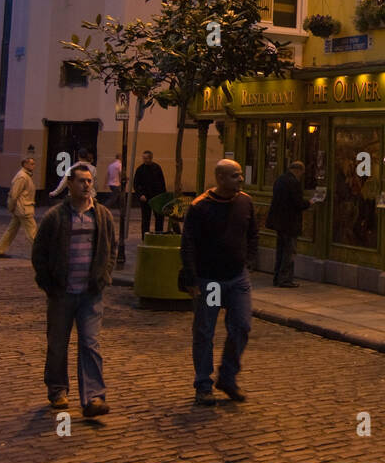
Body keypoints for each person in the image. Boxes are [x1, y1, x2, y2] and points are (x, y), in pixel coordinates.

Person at [31, 163, 115, 418]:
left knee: (90, 343)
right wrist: (49, 285)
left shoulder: (101, 215)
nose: (87, 185)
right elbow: (39, 253)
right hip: (62, 293)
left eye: (90, 181)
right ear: (70, 185)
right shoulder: (55, 216)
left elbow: (111, 248)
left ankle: (93, 397)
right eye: (81, 181)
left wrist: (103, 277)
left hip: (91, 293)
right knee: (58, 343)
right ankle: (57, 389)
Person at [181, 159, 258, 406]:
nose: (240, 179)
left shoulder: (245, 202)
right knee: (205, 331)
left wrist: (249, 261)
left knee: (242, 325)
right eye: (235, 176)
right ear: (220, 178)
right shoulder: (201, 207)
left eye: (240, 175)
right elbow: (189, 244)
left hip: (237, 278)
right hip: (211, 281)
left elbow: (253, 233)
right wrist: (192, 277)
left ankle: (227, 376)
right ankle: (204, 384)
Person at [266, 160, 309, 288]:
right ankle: (285, 279)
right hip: (290, 223)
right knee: (289, 252)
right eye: (302, 173)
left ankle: (277, 278)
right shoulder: (293, 182)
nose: (301, 176)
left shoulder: (280, 179)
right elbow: (298, 203)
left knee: (280, 251)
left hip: (279, 222)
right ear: (298, 170)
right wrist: (310, 202)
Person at [0, 158, 37, 258]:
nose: (33, 166)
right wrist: (11, 207)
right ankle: (41, 254)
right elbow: (14, 194)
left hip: (22, 208)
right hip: (23, 209)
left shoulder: (26, 176)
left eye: (34, 164)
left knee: (11, 230)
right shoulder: (22, 177)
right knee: (33, 233)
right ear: (24, 164)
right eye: (31, 164)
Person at [132, 150, 167, 237]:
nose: (145, 160)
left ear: (151, 158)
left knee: (159, 217)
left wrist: (162, 197)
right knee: (145, 219)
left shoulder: (157, 168)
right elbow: (136, 184)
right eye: (144, 158)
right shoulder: (140, 169)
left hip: (157, 197)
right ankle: (145, 236)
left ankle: (158, 235)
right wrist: (140, 195)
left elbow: (162, 183)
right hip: (145, 198)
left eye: (147, 158)